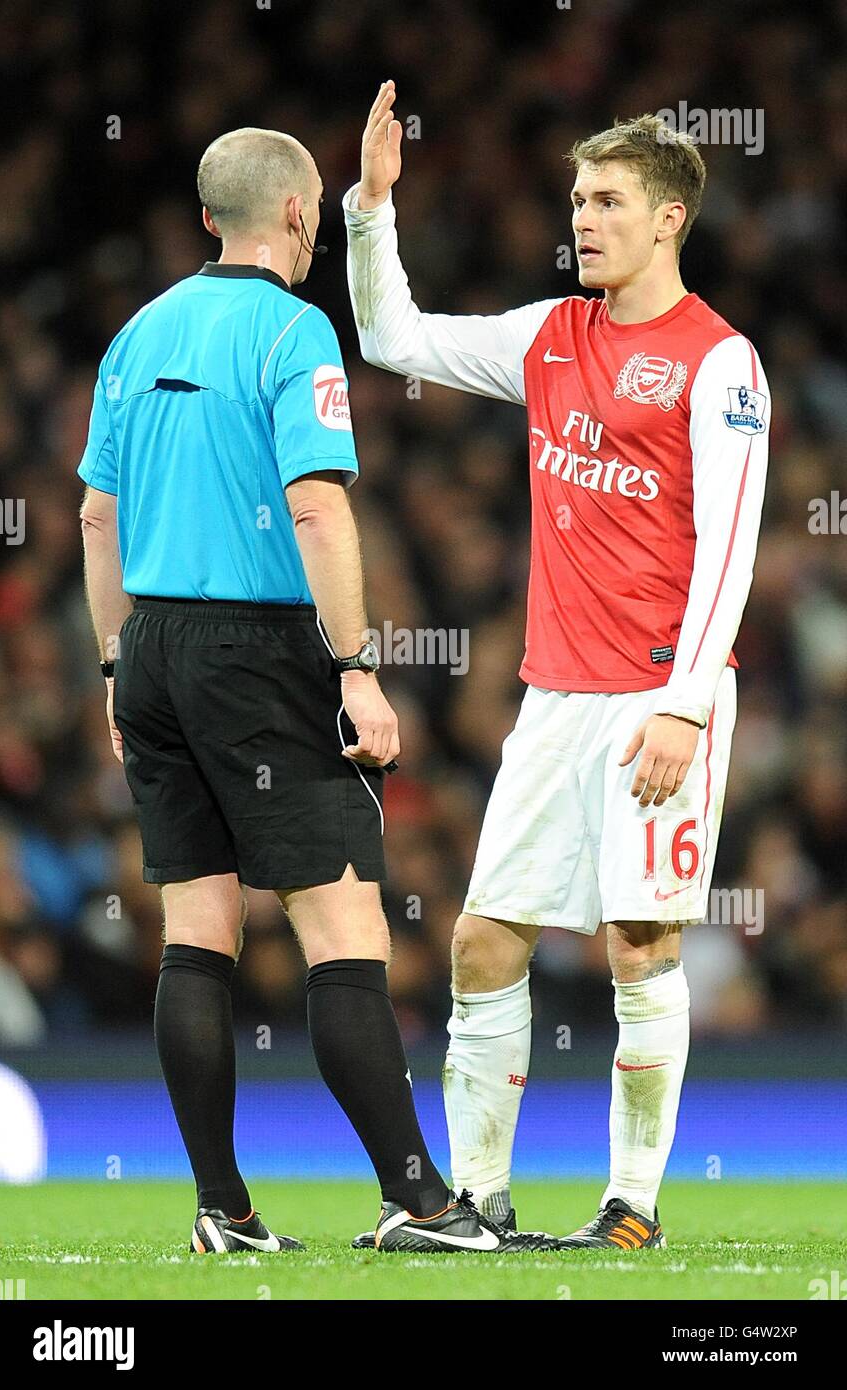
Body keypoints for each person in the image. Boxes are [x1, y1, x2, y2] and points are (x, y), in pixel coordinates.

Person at [78, 125, 554, 1253]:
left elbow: (97, 517)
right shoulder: (296, 333)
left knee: (196, 928)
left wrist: (112, 664)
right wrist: (354, 664)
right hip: (264, 652)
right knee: (344, 927)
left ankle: (224, 1211)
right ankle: (421, 1201)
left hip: (149, 644)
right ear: (301, 215)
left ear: (209, 218)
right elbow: (318, 507)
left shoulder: (134, 335)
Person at [345, 83, 770, 1250]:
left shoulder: (720, 362)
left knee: (641, 943)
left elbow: (731, 548)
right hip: (556, 697)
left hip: (660, 695)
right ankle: (474, 1201)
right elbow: (395, 338)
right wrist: (372, 211)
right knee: (485, 938)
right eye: (578, 198)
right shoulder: (550, 335)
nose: (584, 218)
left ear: (670, 217)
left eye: (610, 200)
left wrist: (686, 705)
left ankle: (631, 1206)